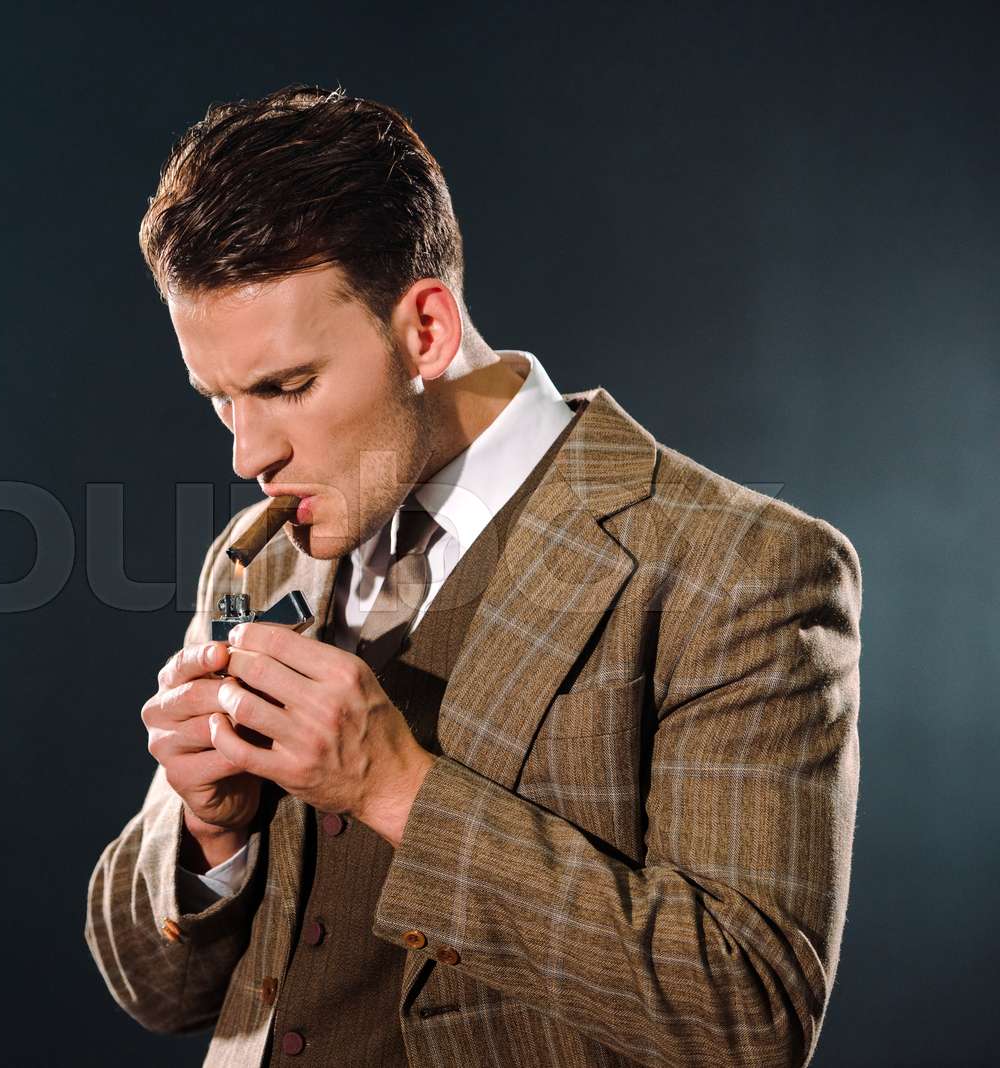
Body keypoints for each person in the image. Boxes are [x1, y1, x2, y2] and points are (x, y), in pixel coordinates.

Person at [85, 84, 861, 1068]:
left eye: (285, 388)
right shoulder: (260, 551)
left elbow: (748, 1020)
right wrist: (208, 831)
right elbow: (155, 990)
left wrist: (395, 788)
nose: (248, 455)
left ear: (424, 332)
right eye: (219, 399)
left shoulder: (743, 569)